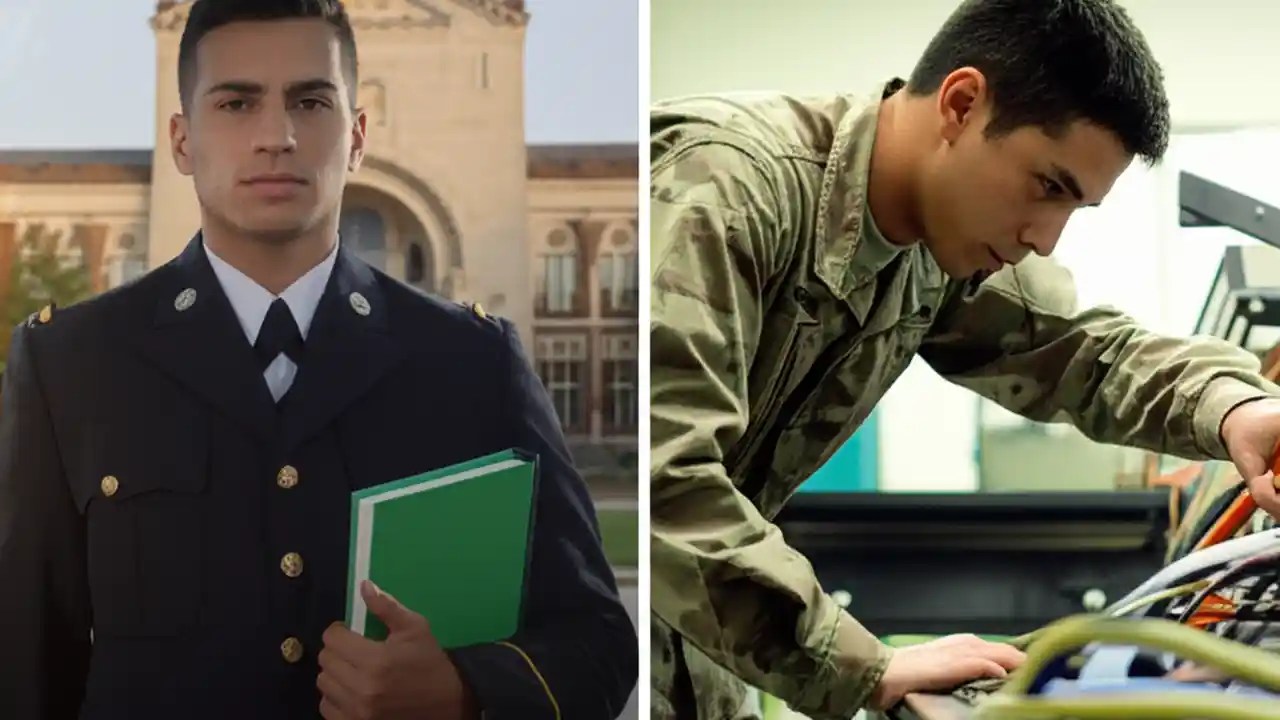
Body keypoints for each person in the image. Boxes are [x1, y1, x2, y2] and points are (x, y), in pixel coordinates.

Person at [0, 1, 637, 718]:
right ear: (181, 139)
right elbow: (24, 668)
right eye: (237, 102)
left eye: (311, 100)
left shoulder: (472, 363)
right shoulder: (70, 364)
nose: (277, 135)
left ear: (358, 133)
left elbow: (599, 641)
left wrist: (465, 690)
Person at [649, 0, 1280, 718]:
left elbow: (1083, 349)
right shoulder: (724, 186)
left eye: (1075, 209)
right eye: (1048, 187)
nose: (1045, 239)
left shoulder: (929, 252)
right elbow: (658, 476)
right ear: (961, 103)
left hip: (692, 660)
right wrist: (864, 663)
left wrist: (1236, 406)